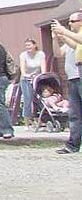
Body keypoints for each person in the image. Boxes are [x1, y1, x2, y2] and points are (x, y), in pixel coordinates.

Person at [50, 11, 82, 154]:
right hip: (72, 79)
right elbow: (59, 53)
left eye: (72, 21)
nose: (69, 24)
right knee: (74, 113)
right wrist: (56, 37)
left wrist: (63, 32)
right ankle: (73, 145)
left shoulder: (78, 36)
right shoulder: (73, 37)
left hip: (79, 76)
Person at [18, 38, 47, 124]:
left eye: (29, 45)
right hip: (26, 79)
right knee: (28, 99)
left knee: (39, 98)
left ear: (34, 45)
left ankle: (41, 118)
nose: (27, 47)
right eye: (26, 45)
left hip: (37, 78)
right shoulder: (23, 55)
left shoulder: (41, 54)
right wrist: (26, 75)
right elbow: (22, 70)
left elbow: (43, 68)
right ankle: (27, 120)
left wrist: (42, 76)